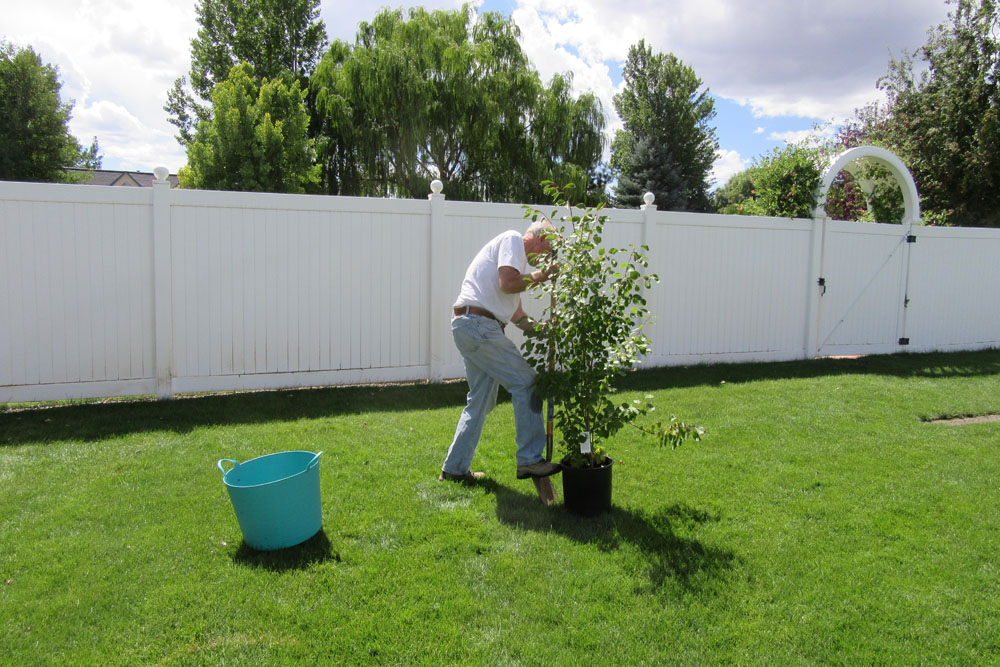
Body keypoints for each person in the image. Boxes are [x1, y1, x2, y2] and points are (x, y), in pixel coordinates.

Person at [439, 219, 561, 482]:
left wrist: (543, 330)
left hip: (469, 325)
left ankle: (453, 469)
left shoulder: (514, 264)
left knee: (481, 401)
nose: (546, 260)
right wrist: (544, 276)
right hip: (479, 326)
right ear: (539, 239)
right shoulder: (513, 240)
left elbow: (517, 317)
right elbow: (508, 283)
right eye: (548, 251)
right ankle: (530, 460)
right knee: (527, 382)